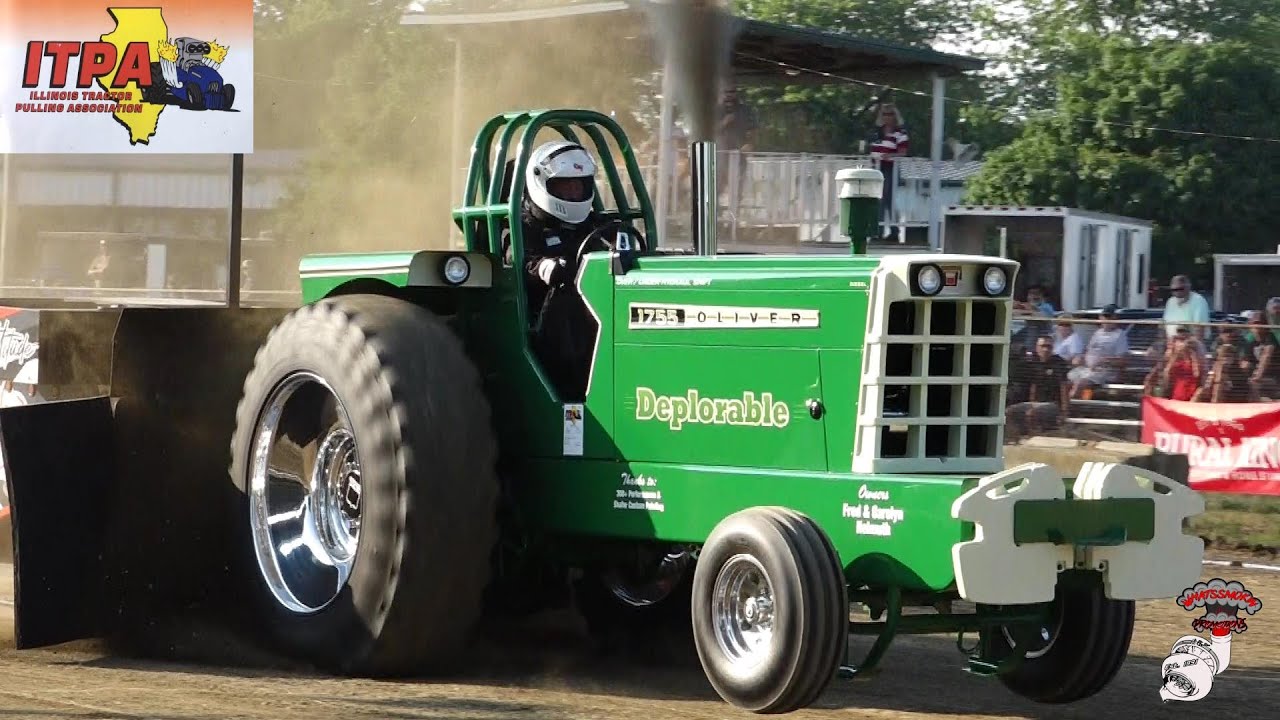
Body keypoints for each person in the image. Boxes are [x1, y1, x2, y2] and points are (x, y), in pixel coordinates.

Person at [501, 140, 616, 401]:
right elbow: (517, 257)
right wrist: (544, 267)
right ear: (542, 184)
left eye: (579, 185)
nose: (575, 193)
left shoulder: (596, 224)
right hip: (546, 318)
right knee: (567, 306)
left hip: (596, 308)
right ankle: (577, 397)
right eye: (566, 185)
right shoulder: (523, 225)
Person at [1006, 335, 1071, 442]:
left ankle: (1033, 438)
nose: (1046, 349)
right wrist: (1031, 403)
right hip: (1037, 402)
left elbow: (1064, 388)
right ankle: (1018, 437)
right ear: (1037, 347)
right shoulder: (1033, 362)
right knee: (1010, 411)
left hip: (1054, 404)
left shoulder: (1059, 363)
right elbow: (1033, 386)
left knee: (1032, 413)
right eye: (1043, 346)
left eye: (1049, 346)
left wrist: (1064, 411)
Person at [1067, 305, 1130, 398]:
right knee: (1065, 381)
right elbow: (1089, 351)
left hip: (1105, 371)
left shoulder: (1120, 335)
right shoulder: (1098, 333)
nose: (1107, 320)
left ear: (1115, 318)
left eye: (1109, 317)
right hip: (1087, 370)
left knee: (1080, 384)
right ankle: (1061, 405)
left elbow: (1123, 361)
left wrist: (1105, 361)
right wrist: (1081, 358)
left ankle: (1066, 409)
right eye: (1105, 316)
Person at [1144, 326, 1202, 401]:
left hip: (1189, 388)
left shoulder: (1193, 354)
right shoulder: (1172, 356)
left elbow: (1197, 374)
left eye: (1183, 340)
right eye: (1179, 339)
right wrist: (1174, 354)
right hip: (1176, 388)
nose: (1181, 343)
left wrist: (1191, 353)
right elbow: (1167, 372)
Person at [1162, 274, 1211, 341]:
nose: (1177, 291)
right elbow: (1164, 324)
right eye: (1174, 289)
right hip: (1172, 344)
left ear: (1188, 287)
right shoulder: (1170, 301)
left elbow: (1199, 329)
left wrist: (1193, 346)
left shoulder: (1198, 300)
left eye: (1180, 289)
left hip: (1191, 344)